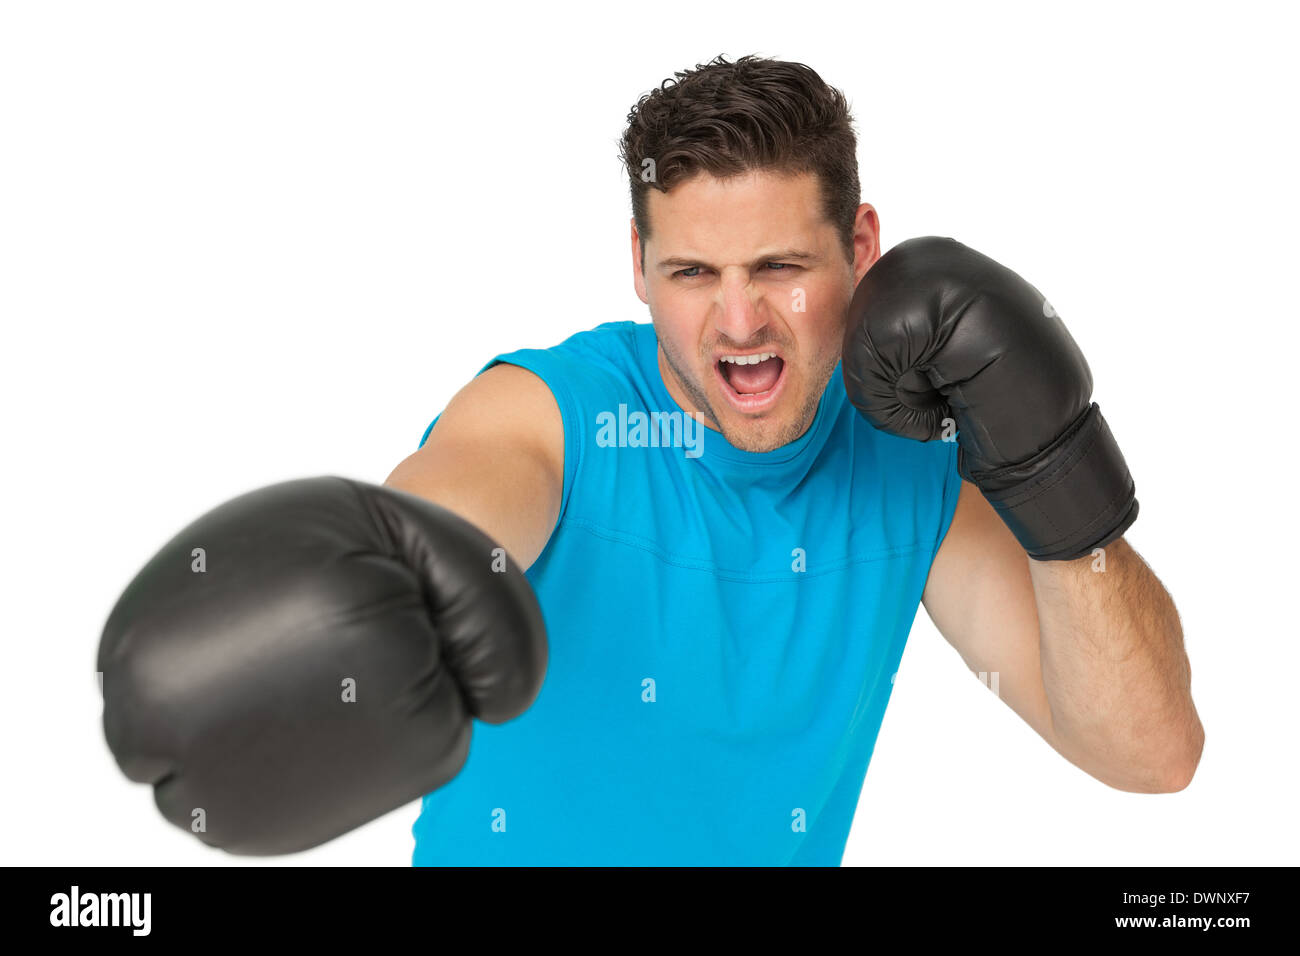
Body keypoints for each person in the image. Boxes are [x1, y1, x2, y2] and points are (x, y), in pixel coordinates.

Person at [98, 54, 1204, 866]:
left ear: (862, 250)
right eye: (690, 272)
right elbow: (460, 498)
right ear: (635, 264)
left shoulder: (910, 454)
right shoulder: (553, 412)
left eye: (779, 265)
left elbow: (1150, 754)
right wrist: (382, 569)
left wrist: (1053, 471)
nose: (738, 322)